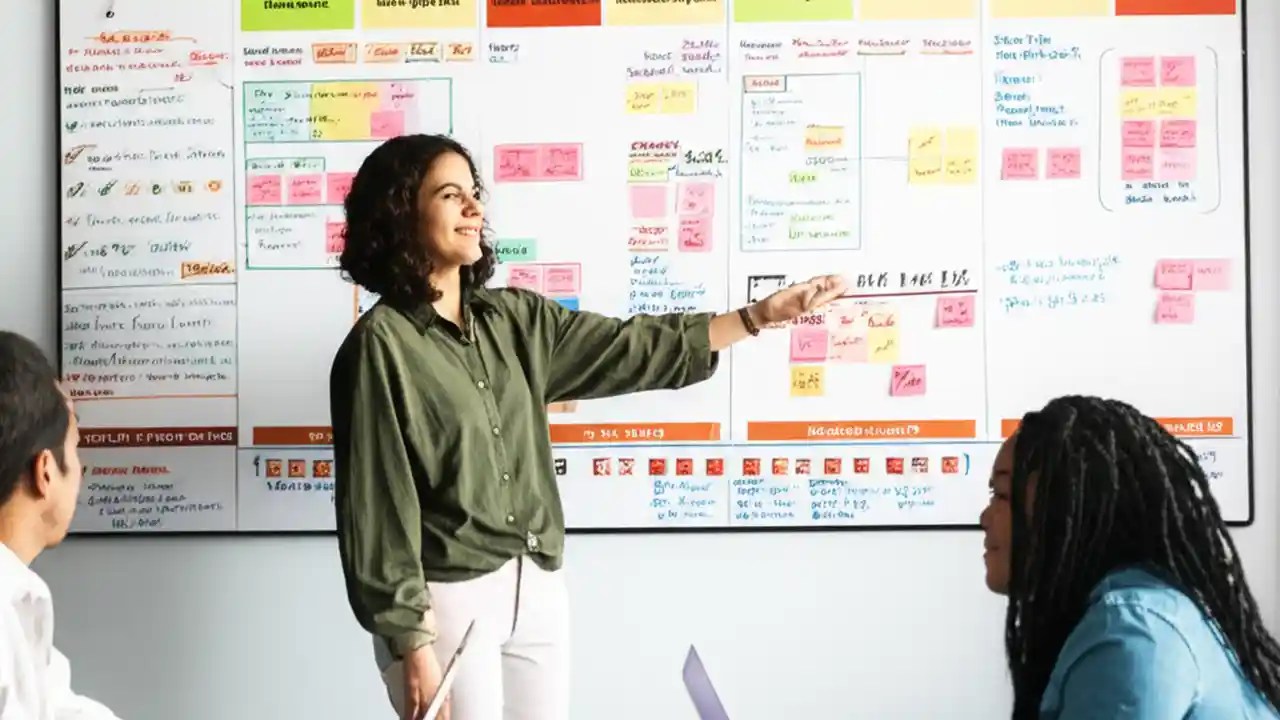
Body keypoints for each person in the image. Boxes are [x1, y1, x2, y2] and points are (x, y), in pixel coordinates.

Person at [328, 133, 845, 720]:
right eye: (452, 195)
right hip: (448, 600)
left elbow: (630, 347)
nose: (475, 209)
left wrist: (758, 317)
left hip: (538, 582)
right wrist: (409, 642)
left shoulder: (515, 319)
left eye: (475, 194)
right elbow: (377, 509)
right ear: (401, 214)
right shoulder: (380, 347)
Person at [979, 394, 1280, 719]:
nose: (984, 517)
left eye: (1003, 494)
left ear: (1073, 504)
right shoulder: (1136, 614)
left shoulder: (1130, 631)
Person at [0, 330, 121, 719]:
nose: (81, 467)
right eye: (75, 446)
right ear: (46, 471)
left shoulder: (18, 599)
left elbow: (58, 708)